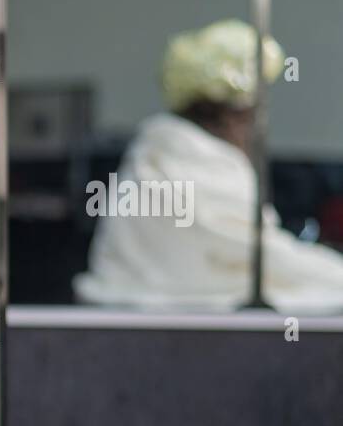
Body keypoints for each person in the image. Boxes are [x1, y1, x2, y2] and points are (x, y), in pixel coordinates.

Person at [74, 19, 343, 312]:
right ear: (232, 114)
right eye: (255, 112)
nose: (258, 127)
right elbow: (263, 255)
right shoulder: (197, 161)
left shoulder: (151, 151)